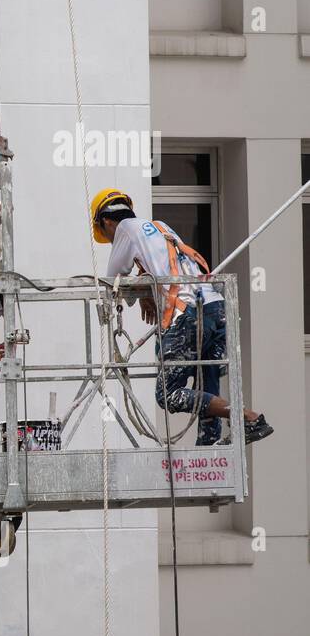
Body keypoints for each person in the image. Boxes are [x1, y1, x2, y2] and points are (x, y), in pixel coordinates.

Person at [91, 188, 273, 446]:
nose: (110, 239)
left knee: (168, 394)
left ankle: (247, 416)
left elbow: (114, 283)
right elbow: (163, 268)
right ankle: (208, 449)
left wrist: (139, 292)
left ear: (107, 221)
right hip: (215, 308)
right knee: (206, 387)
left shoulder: (124, 229)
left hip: (187, 314)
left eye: (106, 233)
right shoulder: (160, 227)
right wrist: (146, 287)